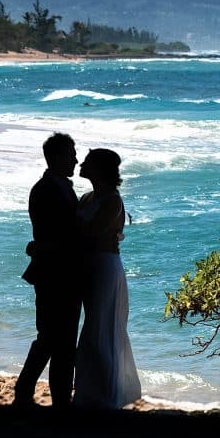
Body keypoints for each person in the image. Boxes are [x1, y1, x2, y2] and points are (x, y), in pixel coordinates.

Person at [13, 132, 85, 408]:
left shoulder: (60, 186)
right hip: (55, 274)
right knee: (54, 339)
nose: (76, 161)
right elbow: (58, 235)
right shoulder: (46, 189)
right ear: (55, 158)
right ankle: (29, 390)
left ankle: (54, 398)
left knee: (61, 341)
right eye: (71, 155)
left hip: (60, 272)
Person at [72, 147, 142, 409]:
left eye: (88, 161)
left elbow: (90, 233)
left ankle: (105, 395)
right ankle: (91, 393)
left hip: (104, 267)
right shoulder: (87, 197)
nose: (81, 162)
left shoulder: (112, 200)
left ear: (99, 169)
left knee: (102, 327)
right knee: (93, 327)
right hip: (89, 266)